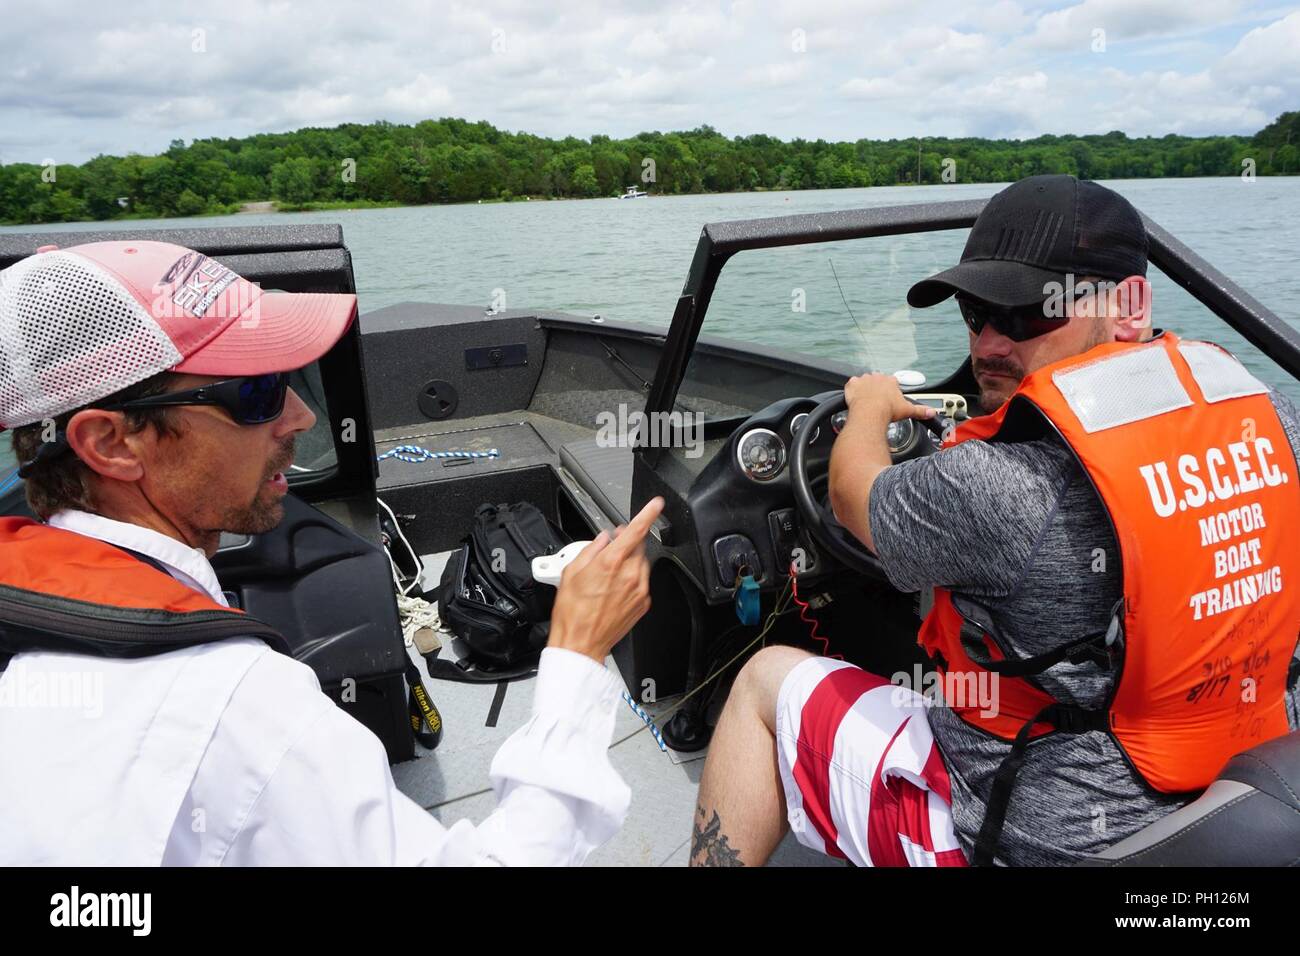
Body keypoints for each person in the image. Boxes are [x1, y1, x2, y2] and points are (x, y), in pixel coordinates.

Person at [692, 174, 1300, 866]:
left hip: (1030, 840)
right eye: (976, 314)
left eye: (1027, 316)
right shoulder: (1277, 423)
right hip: (1241, 795)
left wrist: (867, 408)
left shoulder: (997, 482)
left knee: (763, 680)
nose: (989, 346)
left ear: (1129, 307)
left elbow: (852, 496)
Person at [0, 239, 664, 865]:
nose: (301, 416)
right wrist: (578, 654)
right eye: (256, 392)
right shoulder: (234, 705)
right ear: (113, 444)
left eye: (288, 377)